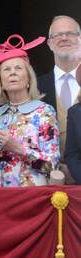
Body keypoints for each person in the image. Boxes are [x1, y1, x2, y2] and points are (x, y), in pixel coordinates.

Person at [0, 35, 60, 188]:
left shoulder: (44, 112)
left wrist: (20, 150)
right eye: (6, 69)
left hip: (30, 197)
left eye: (18, 68)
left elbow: (53, 167)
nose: (12, 73)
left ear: (29, 80)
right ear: (1, 82)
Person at [37, 15, 81, 166]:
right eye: (57, 35)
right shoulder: (35, 87)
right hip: (50, 175)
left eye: (70, 33)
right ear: (49, 43)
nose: (64, 38)